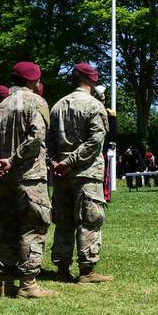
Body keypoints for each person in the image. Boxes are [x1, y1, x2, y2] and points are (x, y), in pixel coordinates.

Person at [0, 61, 55, 299]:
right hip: (29, 176)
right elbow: (36, 139)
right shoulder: (36, 102)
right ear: (32, 81)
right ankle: (28, 283)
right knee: (34, 227)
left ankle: (5, 282)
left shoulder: (1, 106)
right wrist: (13, 160)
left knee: (6, 228)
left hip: (4, 178)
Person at [48, 63, 113, 284]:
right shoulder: (94, 106)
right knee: (90, 220)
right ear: (92, 80)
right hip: (86, 172)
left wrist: (58, 162)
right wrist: (71, 161)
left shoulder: (57, 106)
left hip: (61, 173)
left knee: (64, 221)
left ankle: (62, 269)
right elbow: (95, 141)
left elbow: (49, 142)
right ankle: (87, 270)